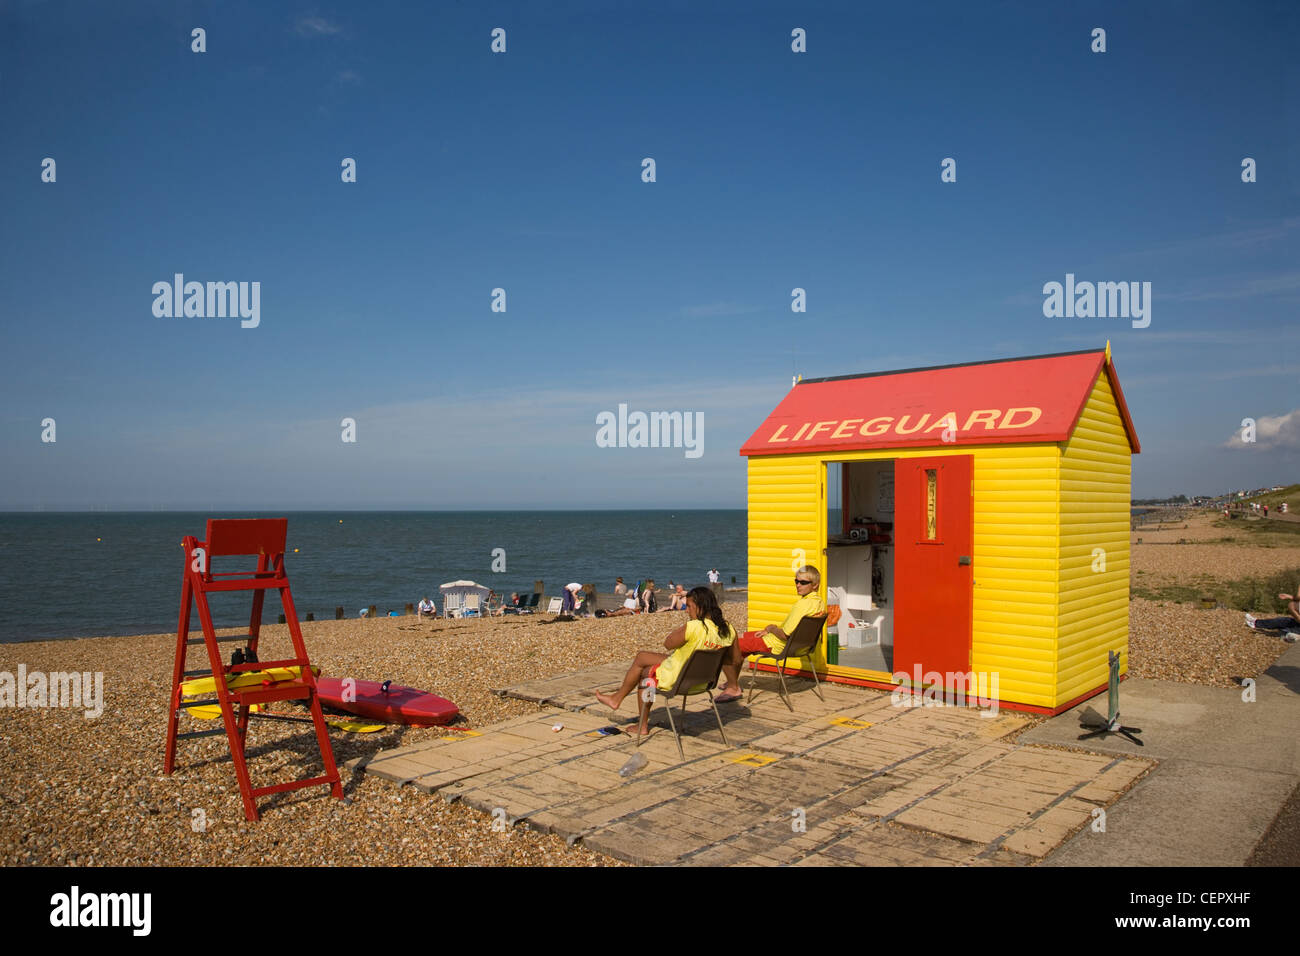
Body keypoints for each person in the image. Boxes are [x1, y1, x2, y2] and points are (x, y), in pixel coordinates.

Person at [594, 586, 735, 736]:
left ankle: (641, 724)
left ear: (700, 607)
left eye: (689, 607)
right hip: (703, 681)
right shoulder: (728, 629)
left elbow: (668, 644)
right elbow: (732, 659)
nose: (687, 611)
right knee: (642, 656)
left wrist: (685, 628)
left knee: (645, 675)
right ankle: (616, 698)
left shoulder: (694, 626)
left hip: (679, 680)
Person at [716, 565, 825, 702]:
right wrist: (769, 630)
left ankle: (733, 689)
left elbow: (785, 634)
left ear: (815, 585)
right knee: (741, 639)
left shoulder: (802, 605)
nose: (798, 585)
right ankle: (733, 681)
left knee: (726, 645)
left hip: (775, 645)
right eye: (796, 581)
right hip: (799, 647)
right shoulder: (819, 603)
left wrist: (771, 628)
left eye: (803, 582)